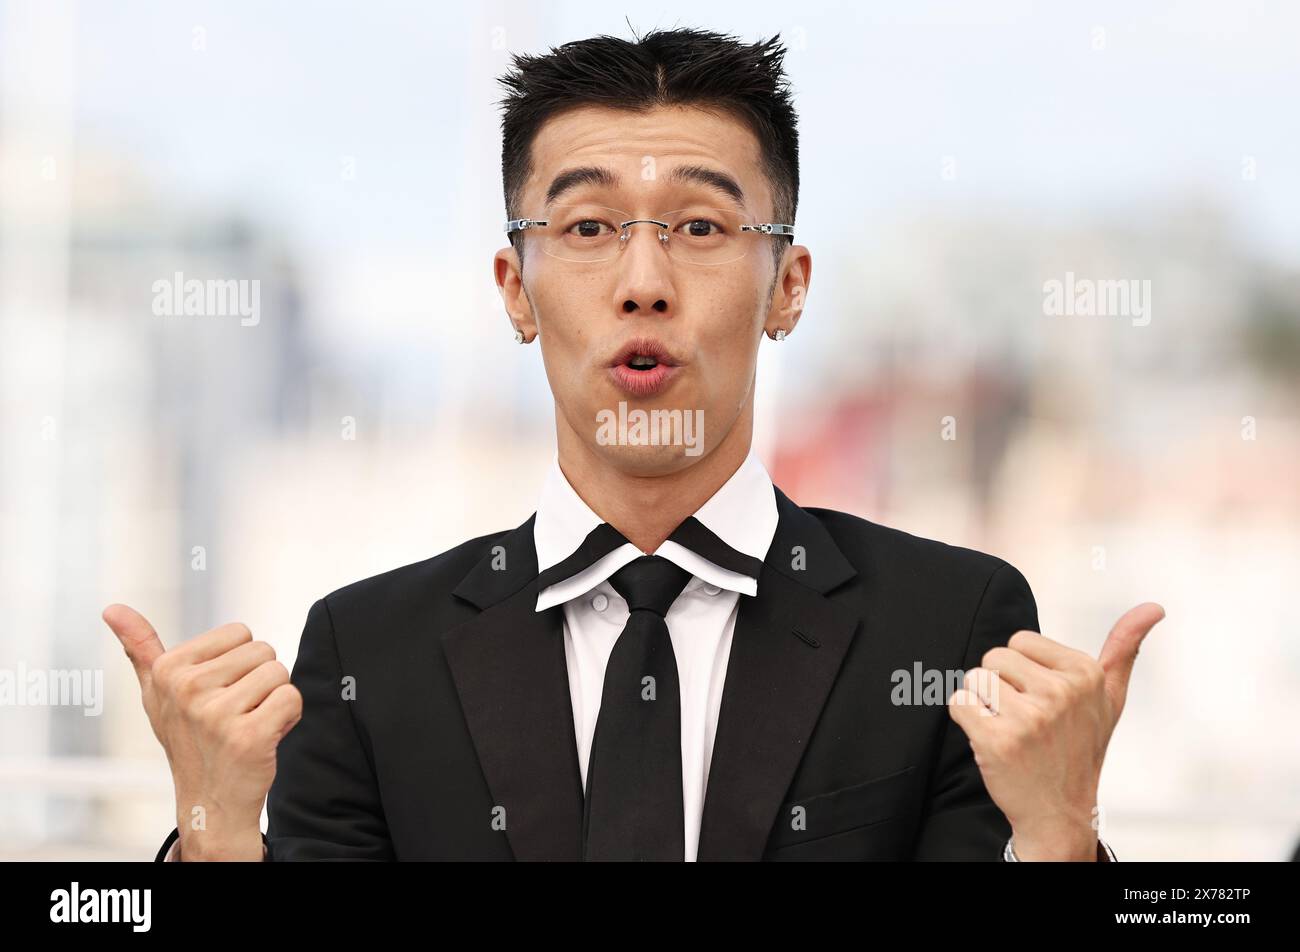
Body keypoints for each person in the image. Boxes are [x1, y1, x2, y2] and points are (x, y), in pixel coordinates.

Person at [104, 27, 1160, 862]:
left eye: (701, 228)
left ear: (787, 288)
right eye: (587, 227)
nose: (643, 280)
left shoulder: (950, 623)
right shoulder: (367, 651)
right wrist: (214, 832)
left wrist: (1060, 839)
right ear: (515, 291)